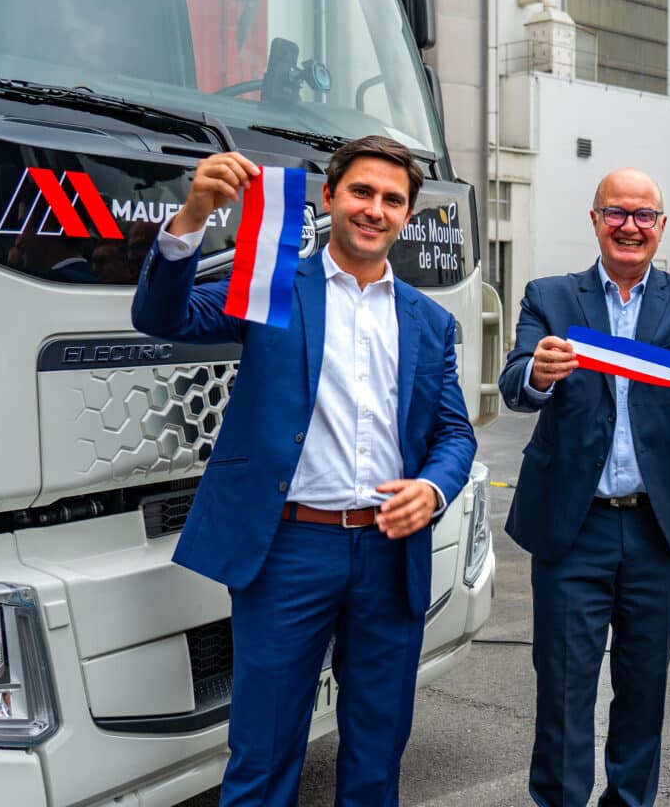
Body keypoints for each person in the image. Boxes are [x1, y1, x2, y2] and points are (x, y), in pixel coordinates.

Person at [132, 136, 477, 806]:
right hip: (289, 548)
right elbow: (160, 315)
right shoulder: (274, 286)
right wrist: (194, 215)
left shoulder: (428, 322)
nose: (375, 209)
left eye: (391, 199)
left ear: (407, 214)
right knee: (263, 754)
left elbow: (454, 433)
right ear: (330, 198)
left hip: (389, 550)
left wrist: (433, 488)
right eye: (361, 192)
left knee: (377, 755)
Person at [500, 167, 670, 807]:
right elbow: (514, 380)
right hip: (570, 525)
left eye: (644, 215)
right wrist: (539, 374)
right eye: (617, 213)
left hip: (657, 528)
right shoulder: (550, 295)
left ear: (661, 227)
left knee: (644, 687)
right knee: (562, 688)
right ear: (595, 219)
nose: (629, 226)